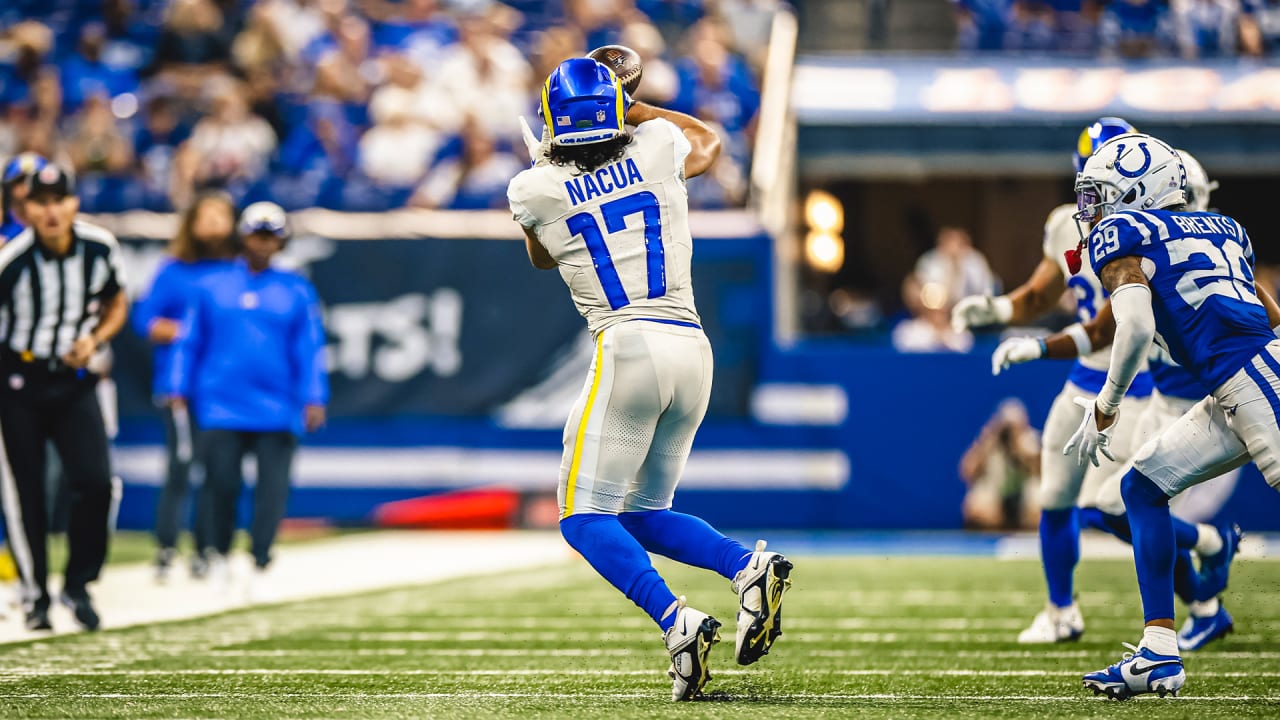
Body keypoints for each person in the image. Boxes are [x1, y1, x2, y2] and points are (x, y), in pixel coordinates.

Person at [506, 58, 792, 702]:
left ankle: (677, 621)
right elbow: (709, 142)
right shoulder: (659, 144)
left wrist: (550, 162)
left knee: (583, 519)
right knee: (640, 512)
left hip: (627, 345)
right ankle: (745, 566)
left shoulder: (533, 188)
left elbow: (541, 254)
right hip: (691, 345)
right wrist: (629, 108)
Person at [990, 148, 1243, 652]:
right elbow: (1106, 329)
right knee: (1124, 503)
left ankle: (1181, 618)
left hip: (1225, 402)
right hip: (1183, 409)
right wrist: (1038, 346)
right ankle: (1188, 618)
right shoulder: (1179, 250)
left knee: (1127, 502)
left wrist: (1105, 404)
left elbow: (1132, 330)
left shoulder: (1171, 250)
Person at [1068, 133, 1280, 699]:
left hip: (1254, 382)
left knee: (1137, 488)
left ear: (1137, 191)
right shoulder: (1226, 227)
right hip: (1239, 384)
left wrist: (1106, 406)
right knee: (1141, 487)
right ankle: (1160, 653)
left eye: (1101, 195)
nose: (1090, 210)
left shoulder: (1123, 234)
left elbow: (1134, 327)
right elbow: (1269, 311)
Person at [951, 117, 1155, 644]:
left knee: (1113, 507)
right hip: (1083, 381)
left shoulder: (1154, 228)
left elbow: (1112, 325)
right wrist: (997, 307)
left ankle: (1201, 567)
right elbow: (1043, 292)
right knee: (1058, 499)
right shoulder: (1070, 223)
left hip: (1134, 385)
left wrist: (1040, 346)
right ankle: (1061, 610)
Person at [163, 201, 328, 599]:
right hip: (221, 403)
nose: (263, 244)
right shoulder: (212, 286)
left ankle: (261, 555)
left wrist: (314, 395)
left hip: (277, 406)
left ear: (282, 242)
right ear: (243, 236)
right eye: (257, 235)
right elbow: (189, 341)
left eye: (271, 236)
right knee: (221, 484)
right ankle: (217, 552)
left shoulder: (295, 290)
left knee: (273, 488)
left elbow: (309, 347)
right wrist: (177, 385)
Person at [0, 163, 128, 631]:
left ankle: (79, 584)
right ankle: (35, 595)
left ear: (74, 202)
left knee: (96, 482)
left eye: (59, 200)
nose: (51, 211)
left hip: (74, 380)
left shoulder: (99, 247)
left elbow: (117, 300)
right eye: (41, 202)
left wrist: (94, 340)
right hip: (17, 382)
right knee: (25, 492)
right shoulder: (12, 262)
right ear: (25, 209)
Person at [131, 190, 237, 581]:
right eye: (205, 216)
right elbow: (146, 320)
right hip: (181, 385)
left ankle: (206, 546)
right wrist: (187, 333)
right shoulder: (173, 270)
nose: (212, 225)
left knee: (218, 470)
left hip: (225, 388)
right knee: (180, 466)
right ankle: (166, 545)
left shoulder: (238, 271)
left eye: (220, 216)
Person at [1, 153, 47, 241]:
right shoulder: (2, 225)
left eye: (34, 181)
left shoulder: (61, 224)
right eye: (20, 181)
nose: (26, 188)